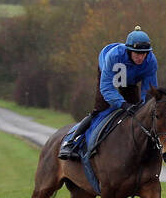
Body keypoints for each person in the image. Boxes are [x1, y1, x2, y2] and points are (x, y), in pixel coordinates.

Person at [59, 26, 159, 159]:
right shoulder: (114, 56)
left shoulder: (151, 61)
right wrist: (122, 104)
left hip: (130, 81)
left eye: (144, 53)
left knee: (138, 113)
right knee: (101, 110)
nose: (141, 57)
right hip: (109, 75)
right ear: (129, 51)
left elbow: (149, 90)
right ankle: (72, 142)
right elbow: (107, 88)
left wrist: (144, 106)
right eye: (137, 53)